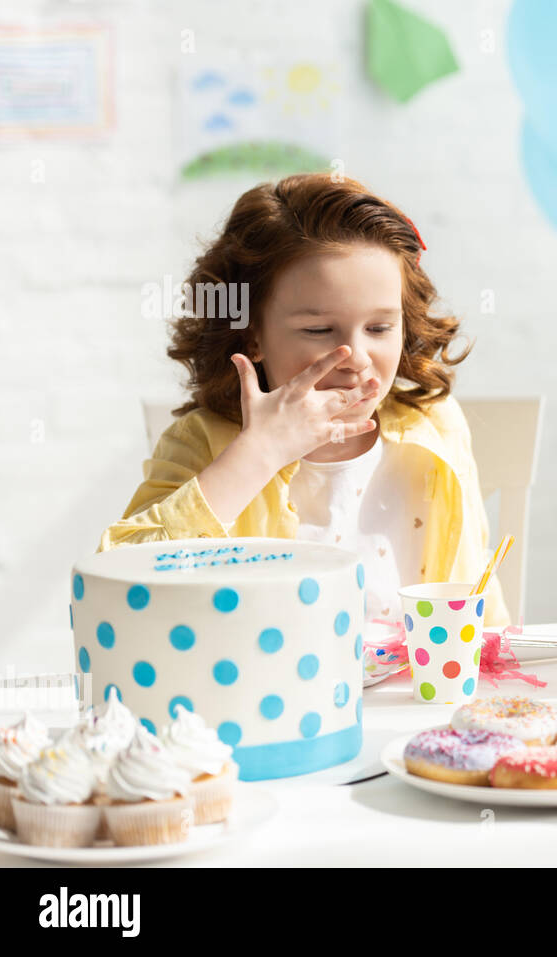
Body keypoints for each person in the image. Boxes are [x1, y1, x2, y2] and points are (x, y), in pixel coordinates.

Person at [98, 172, 511, 636]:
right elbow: (115, 588)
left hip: (416, 703)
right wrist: (259, 454)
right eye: (319, 331)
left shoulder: (436, 423)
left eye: (379, 328)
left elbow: (481, 599)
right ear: (253, 334)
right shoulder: (206, 442)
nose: (356, 358)